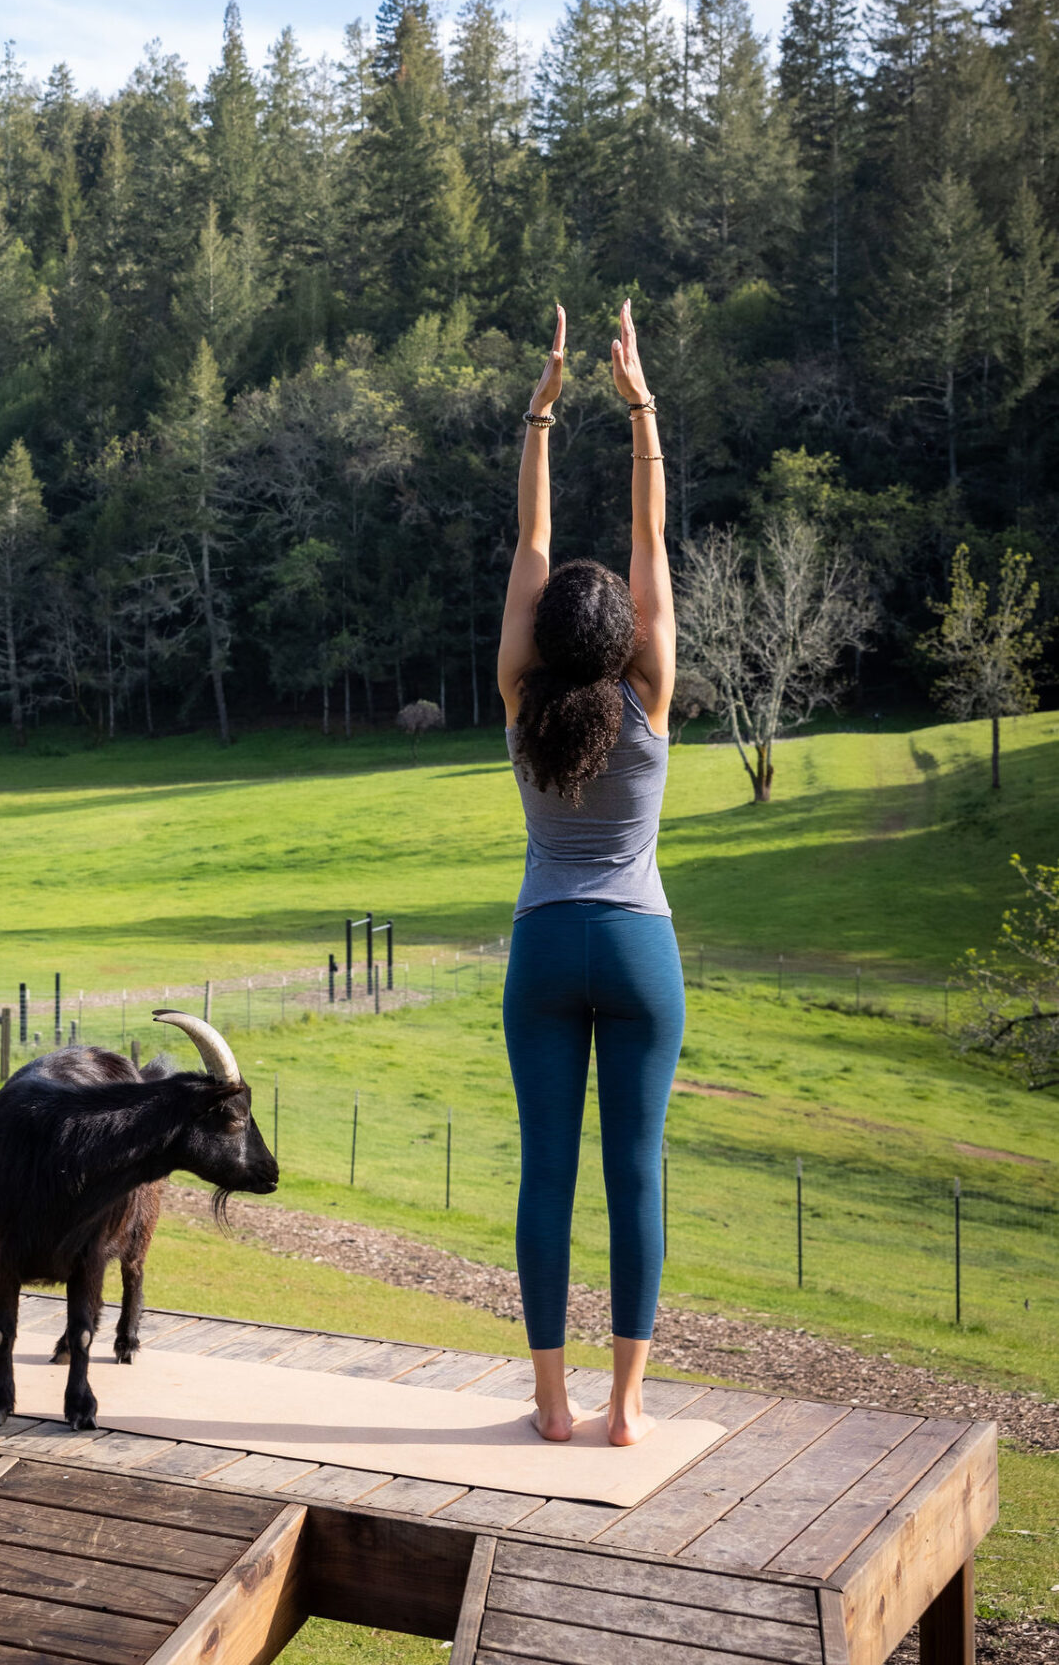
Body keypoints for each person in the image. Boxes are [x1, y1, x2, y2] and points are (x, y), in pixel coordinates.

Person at [495, 298, 682, 1447]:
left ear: (550, 636)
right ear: (621, 643)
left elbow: (529, 547)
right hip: (638, 945)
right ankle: (626, 1407)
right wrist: (640, 405)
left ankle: (551, 1403)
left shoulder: (524, 702)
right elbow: (652, 545)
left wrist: (543, 408)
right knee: (636, 1173)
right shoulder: (649, 696)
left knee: (546, 1175)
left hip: (542, 945)